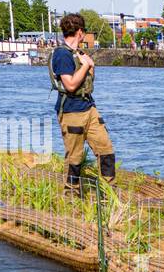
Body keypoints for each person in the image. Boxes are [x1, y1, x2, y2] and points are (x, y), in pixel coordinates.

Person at [49, 12, 117, 192]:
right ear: (80, 32)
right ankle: (71, 194)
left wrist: (89, 65)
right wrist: (86, 65)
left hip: (89, 108)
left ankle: (109, 192)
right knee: (75, 158)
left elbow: (89, 79)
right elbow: (70, 85)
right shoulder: (62, 55)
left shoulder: (79, 53)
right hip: (71, 112)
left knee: (106, 150)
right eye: (84, 32)